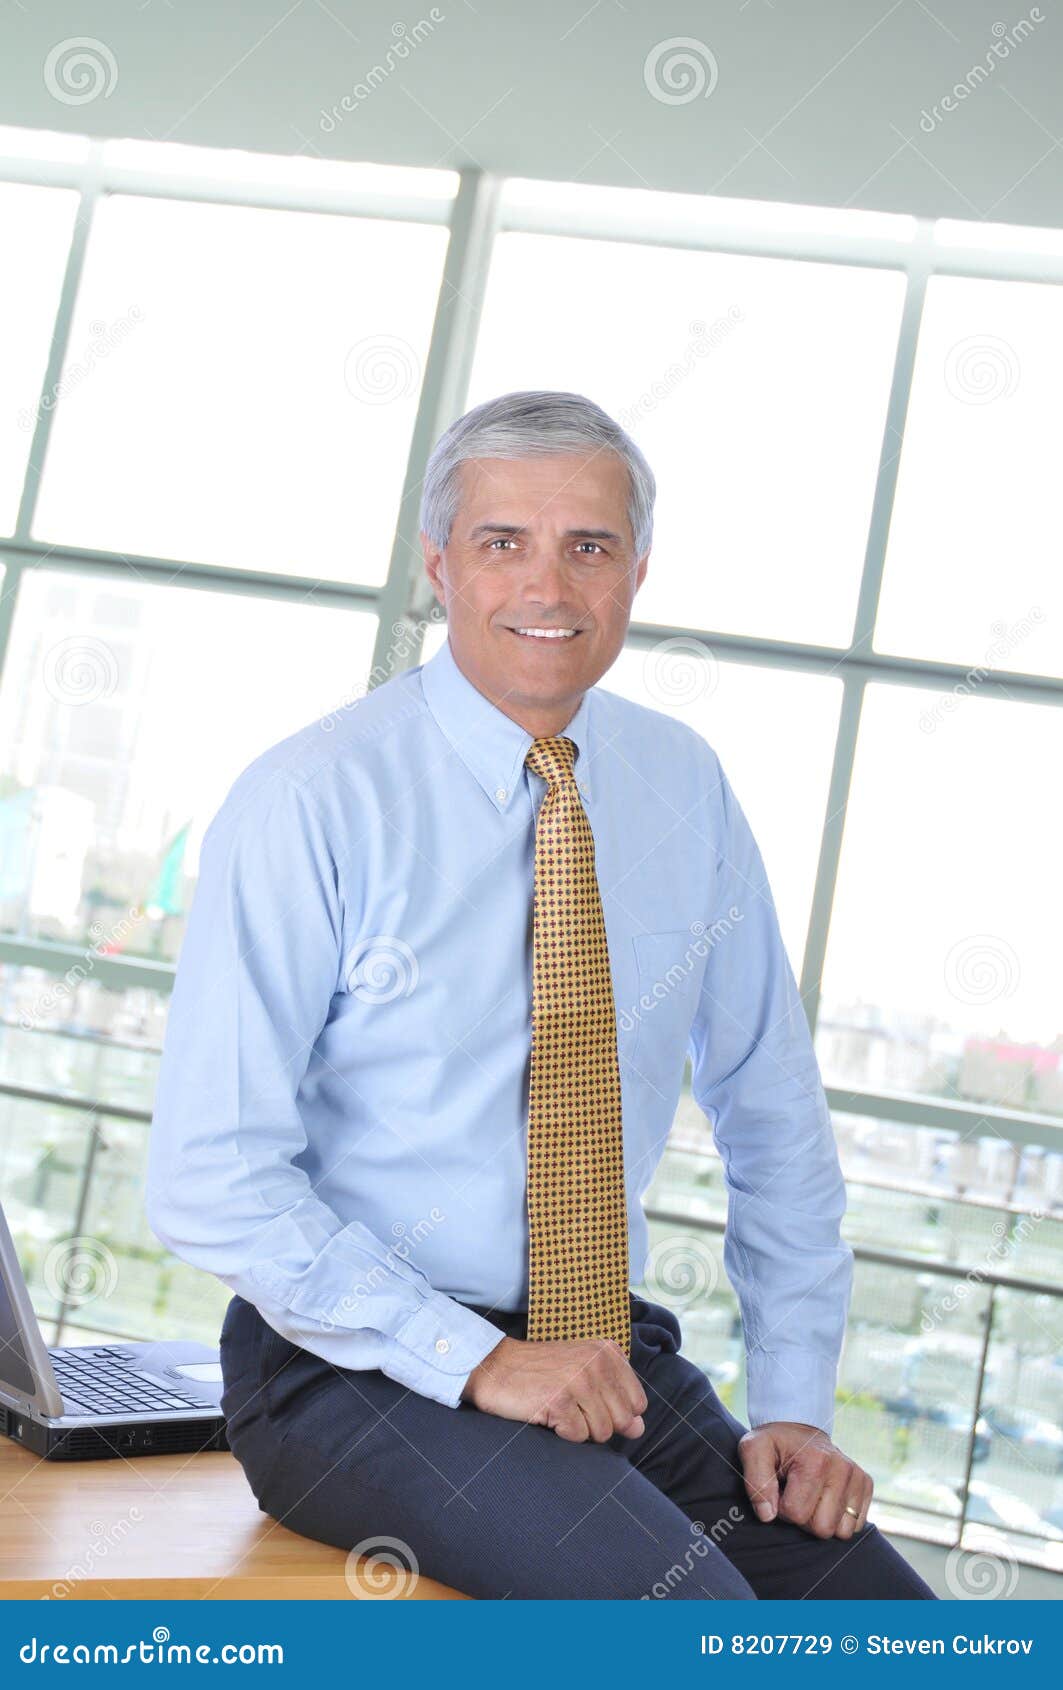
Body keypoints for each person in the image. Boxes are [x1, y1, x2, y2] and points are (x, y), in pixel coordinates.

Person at [146, 390, 936, 1600]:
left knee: (900, 1640)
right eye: (502, 541)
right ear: (436, 567)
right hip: (349, 1369)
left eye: (589, 546)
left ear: (635, 573)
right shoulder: (312, 798)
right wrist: (475, 1358)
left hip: (600, 1352)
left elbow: (769, 1106)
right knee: (693, 1630)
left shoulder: (681, 783)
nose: (548, 588)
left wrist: (793, 1405)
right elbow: (210, 1176)